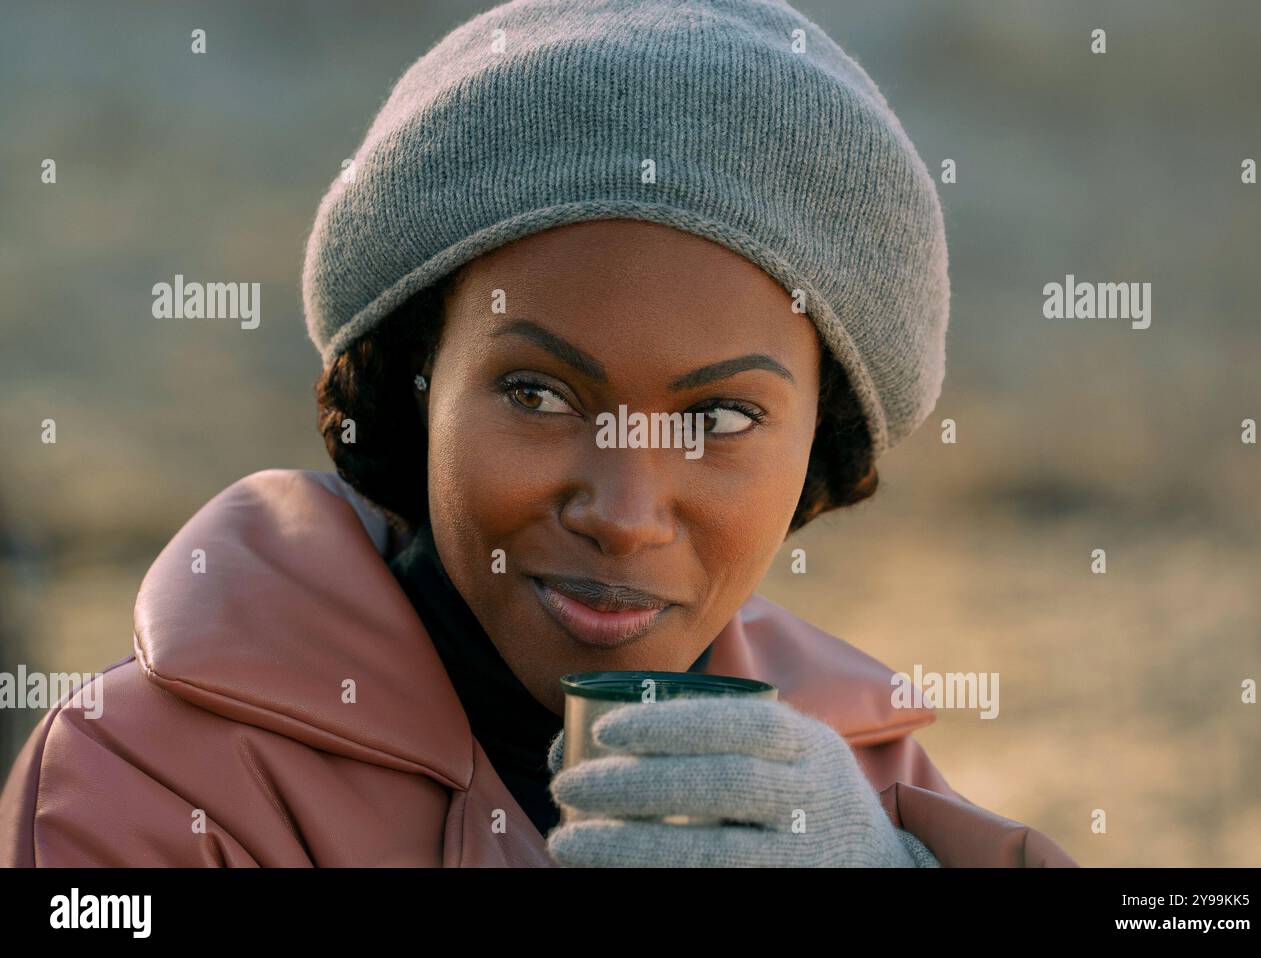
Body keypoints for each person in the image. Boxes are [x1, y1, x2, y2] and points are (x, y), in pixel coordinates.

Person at [0, 0, 1076, 867]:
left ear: (819, 446)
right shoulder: (152, 777)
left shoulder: (859, 781)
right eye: (540, 394)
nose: (623, 511)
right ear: (413, 385)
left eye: (720, 416)